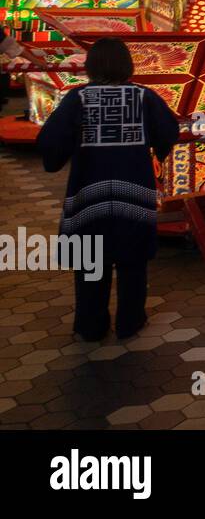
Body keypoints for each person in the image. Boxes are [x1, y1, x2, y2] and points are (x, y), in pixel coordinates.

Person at [36, 38, 179, 340]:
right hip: (133, 190)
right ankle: (130, 322)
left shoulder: (78, 98)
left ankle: (91, 325)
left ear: (90, 67)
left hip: (90, 193)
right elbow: (168, 131)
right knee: (133, 263)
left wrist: (60, 157)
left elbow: (51, 141)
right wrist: (155, 148)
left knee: (91, 260)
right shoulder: (143, 97)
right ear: (127, 65)